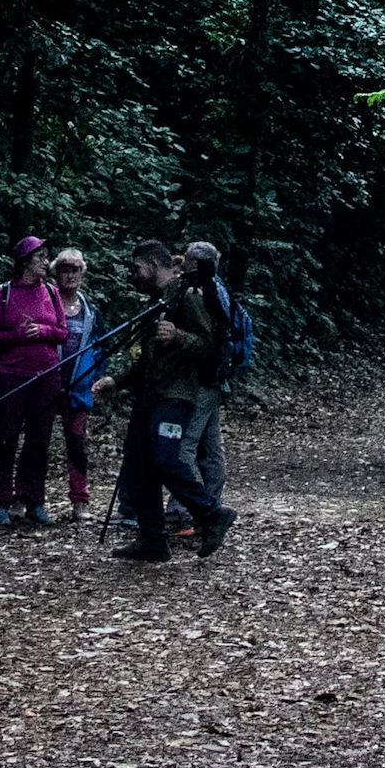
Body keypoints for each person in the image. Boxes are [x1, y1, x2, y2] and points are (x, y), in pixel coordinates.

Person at [109, 239, 232, 562]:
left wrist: (179, 337)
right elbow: (148, 358)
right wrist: (117, 381)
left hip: (177, 395)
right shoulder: (159, 301)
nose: (133, 275)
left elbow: (210, 346)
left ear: (153, 265)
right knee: (139, 463)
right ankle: (152, 539)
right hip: (150, 393)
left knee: (166, 457)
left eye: (136, 268)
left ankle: (211, 513)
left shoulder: (189, 297)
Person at [0, 237, 71, 529]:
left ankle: (34, 501)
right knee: (5, 439)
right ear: (25, 262)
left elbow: (62, 332)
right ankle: (0, 504)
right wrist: (17, 335)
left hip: (46, 376)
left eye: (46, 256)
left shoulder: (53, 293)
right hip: (9, 377)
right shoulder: (3, 293)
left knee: (39, 442)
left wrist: (41, 329)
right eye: (41, 257)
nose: (47, 262)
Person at [50, 246, 101, 523]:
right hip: (46, 383)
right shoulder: (46, 300)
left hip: (78, 386)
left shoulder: (90, 309)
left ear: (83, 273)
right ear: (56, 273)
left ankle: (80, 501)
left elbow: (101, 346)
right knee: (37, 441)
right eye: (64, 269)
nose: (70, 275)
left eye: (75, 270)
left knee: (77, 444)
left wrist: (94, 376)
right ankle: (27, 498)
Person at [182, 239, 236, 502]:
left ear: (195, 263)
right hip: (217, 377)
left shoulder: (202, 292)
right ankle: (212, 502)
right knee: (211, 446)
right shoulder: (219, 287)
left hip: (204, 378)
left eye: (187, 259)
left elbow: (207, 340)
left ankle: (187, 507)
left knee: (186, 447)